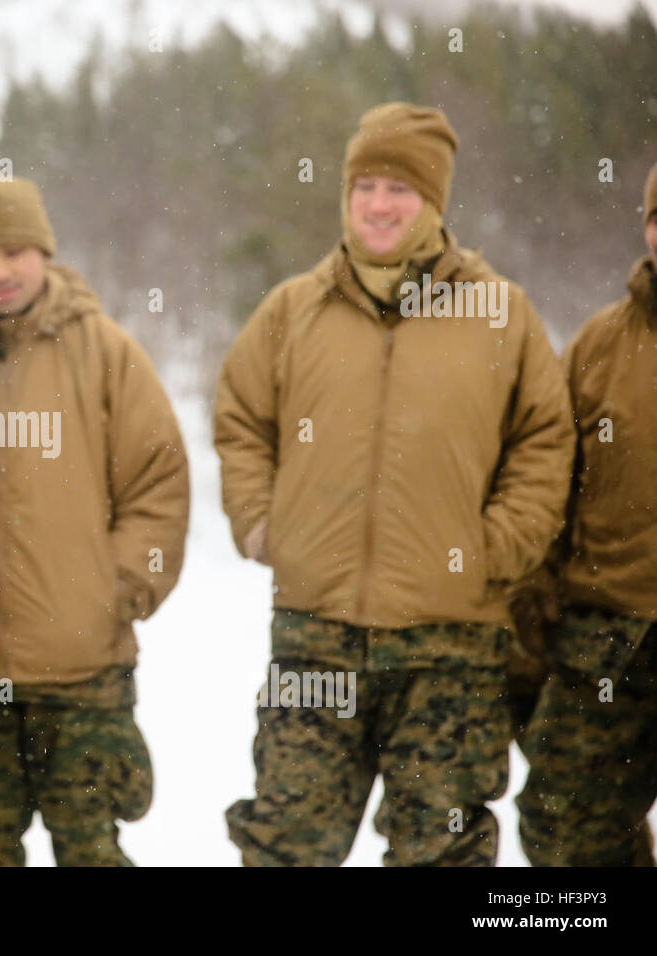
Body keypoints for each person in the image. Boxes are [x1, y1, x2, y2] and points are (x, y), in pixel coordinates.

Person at [215, 102, 574, 866]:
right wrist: (263, 526)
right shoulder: (293, 310)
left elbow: (546, 442)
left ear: (434, 201)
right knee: (285, 846)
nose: (379, 204)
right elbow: (242, 419)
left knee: (440, 854)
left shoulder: (500, 313)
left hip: (451, 646)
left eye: (400, 189)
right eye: (365, 185)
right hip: (315, 640)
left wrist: (494, 548)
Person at [0, 177, 190, 866]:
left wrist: (113, 594)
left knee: (91, 851)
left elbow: (158, 485)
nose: (0, 273)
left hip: (81, 674)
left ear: (44, 249)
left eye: (16, 252)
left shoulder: (107, 352)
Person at [515, 161, 657, 867]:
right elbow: (550, 492)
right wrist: (531, 616)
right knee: (564, 831)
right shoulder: (598, 347)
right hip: (607, 638)